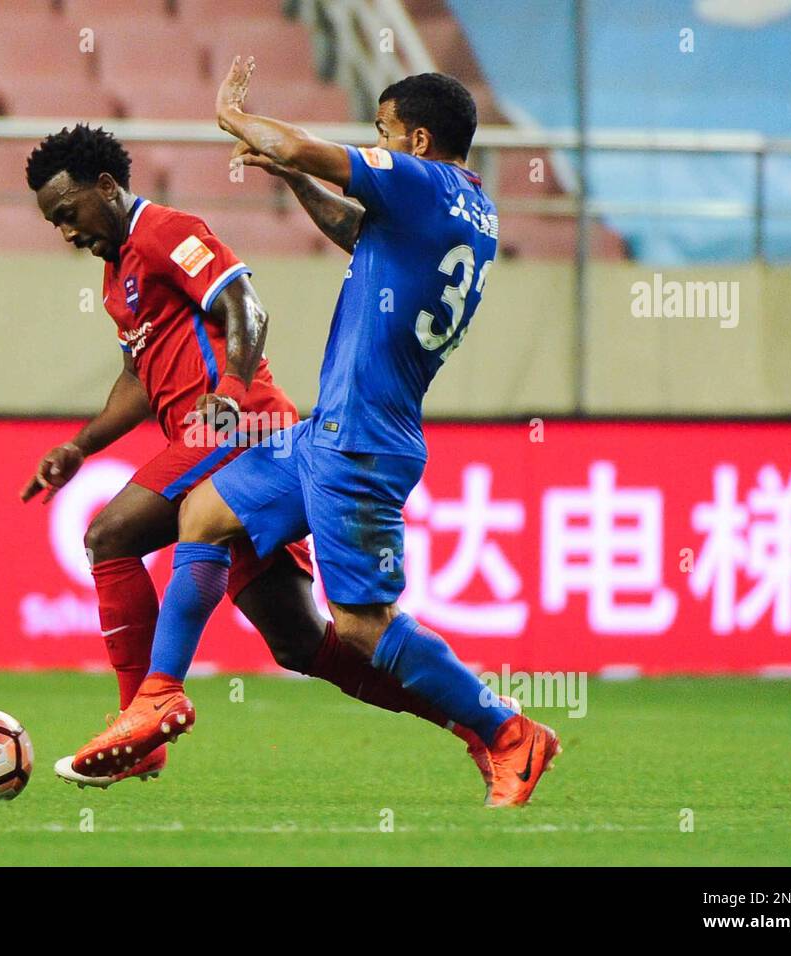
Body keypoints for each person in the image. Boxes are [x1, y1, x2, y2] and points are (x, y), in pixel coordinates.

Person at [67, 65, 559, 807]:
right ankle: (159, 697)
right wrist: (294, 181)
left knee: (362, 628)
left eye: (384, 131)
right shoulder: (465, 211)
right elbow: (354, 229)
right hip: (323, 433)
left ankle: (505, 729)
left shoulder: (425, 183)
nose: (376, 141)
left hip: (362, 442)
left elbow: (309, 148)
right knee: (204, 512)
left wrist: (240, 119)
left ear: (418, 139)